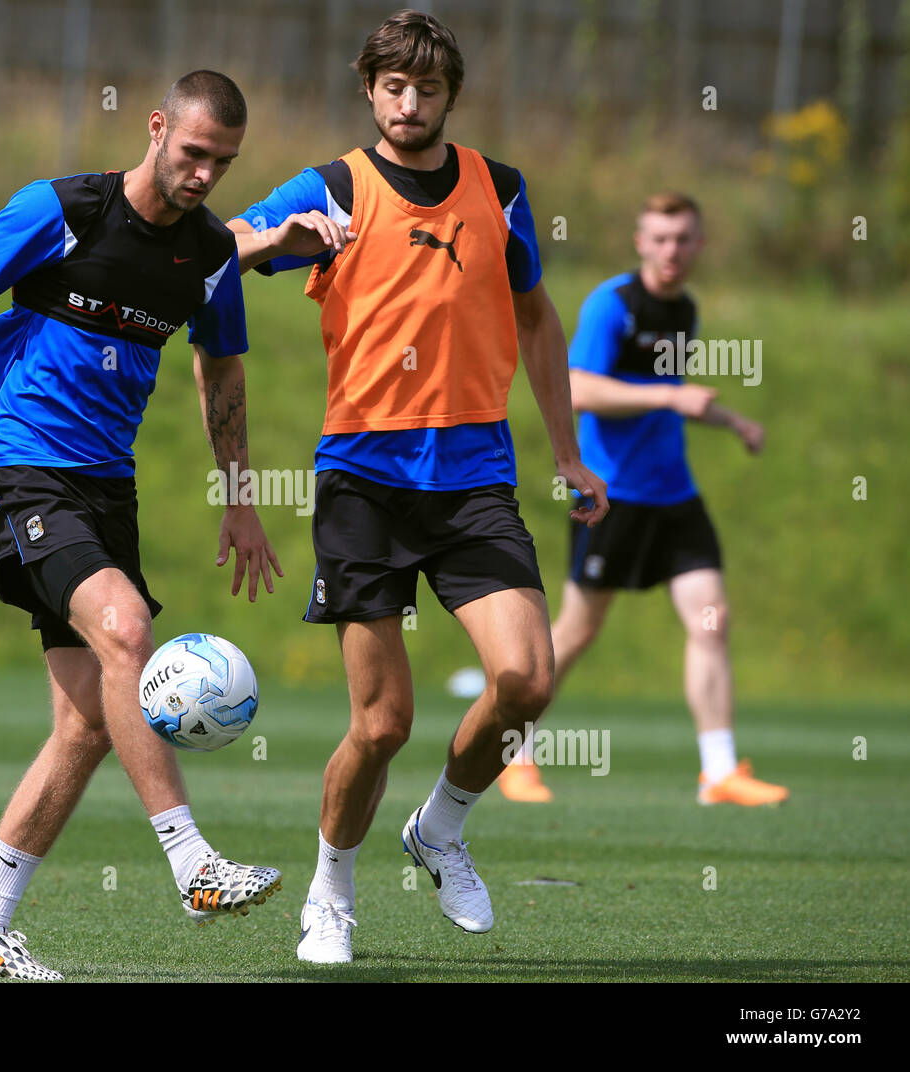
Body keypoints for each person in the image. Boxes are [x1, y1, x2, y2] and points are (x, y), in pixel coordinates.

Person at [227, 10, 608, 963]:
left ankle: (440, 829)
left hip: (475, 472)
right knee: (383, 723)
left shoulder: (501, 190)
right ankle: (331, 892)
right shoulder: (334, 185)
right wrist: (279, 235)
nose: (409, 104)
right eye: (393, 88)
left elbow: (537, 320)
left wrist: (566, 454)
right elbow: (219, 244)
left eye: (426, 90)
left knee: (526, 677)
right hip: (364, 477)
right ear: (370, 91)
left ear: (450, 97)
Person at [0, 70, 285, 982]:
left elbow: (224, 372)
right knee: (127, 630)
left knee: (86, 723)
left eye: (224, 163)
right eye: (194, 152)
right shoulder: (64, 208)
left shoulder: (207, 257)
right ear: (157, 128)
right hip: (19, 468)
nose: (205, 175)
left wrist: (239, 499)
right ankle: (194, 863)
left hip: (105, 489)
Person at [501, 192, 788, 808]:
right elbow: (579, 388)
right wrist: (667, 398)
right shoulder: (613, 304)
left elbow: (674, 393)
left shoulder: (685, 308)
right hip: (614, 496)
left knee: (712, 619)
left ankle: (718, 772)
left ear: (699, 244)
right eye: (660, 238)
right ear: (640, 242)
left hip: (675, 497)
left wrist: (733, 422)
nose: (672, 251)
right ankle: (515, 755)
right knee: (576, 632)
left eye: (683, 239)